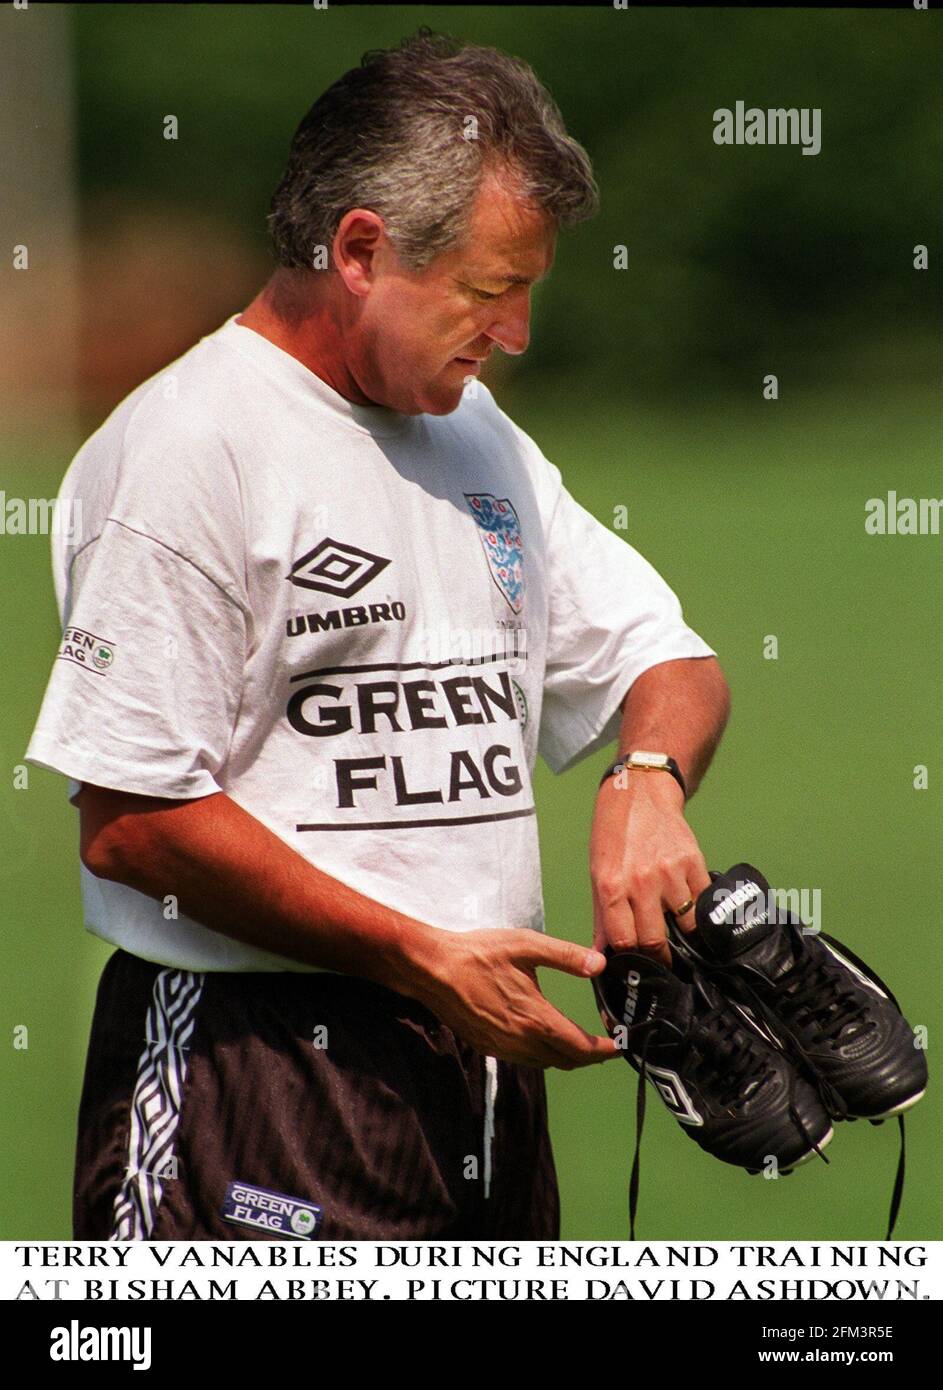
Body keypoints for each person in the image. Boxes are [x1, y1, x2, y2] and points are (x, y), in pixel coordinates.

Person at [24, 30, 730, 1241]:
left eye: (526, 293)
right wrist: (414, 953)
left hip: (481, 1067)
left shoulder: (478, 438)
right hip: (250, 1074)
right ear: (360, 249)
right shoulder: (191, 449)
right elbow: (131, 820)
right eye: (487, 289)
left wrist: (648, 781)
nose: (512, 334)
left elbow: (667, 658)